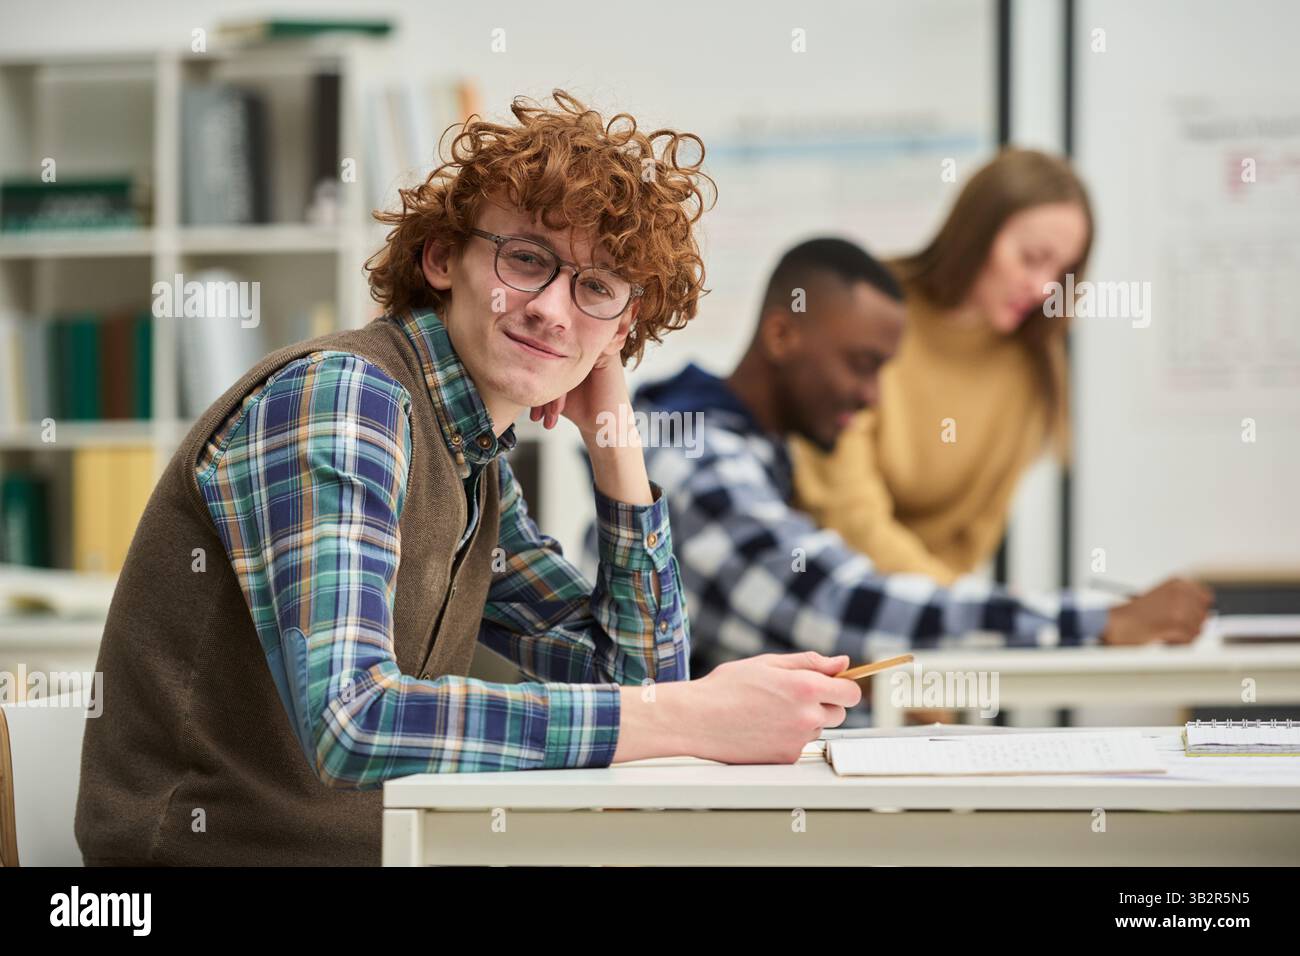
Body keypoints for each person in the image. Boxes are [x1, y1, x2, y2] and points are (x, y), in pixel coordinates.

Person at [74, 91, 861, 867]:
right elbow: (356, 721)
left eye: (597, 287)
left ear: (622, 328)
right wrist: (687, 715)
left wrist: (615, 444)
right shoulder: (346, 399)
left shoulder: (471, 455)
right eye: (526, 260)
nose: (555, 309)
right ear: (443, 258)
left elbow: (627, 678)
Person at [611, 237, 1211, 691]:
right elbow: (836, 609)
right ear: (782, 335)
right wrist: (1097, 621)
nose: (873, 396)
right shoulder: (695, 454)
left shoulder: (758, 452)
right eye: (861, 363)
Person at [792, 149, 1095, 583]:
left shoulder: (1035, 367)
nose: (1044, 287)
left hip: (930, 621)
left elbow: (971, 540)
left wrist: (948, 616)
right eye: (1031, 258)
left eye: (1062, 270)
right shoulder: (865, 310)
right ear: (975, 234)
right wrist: (948, 609)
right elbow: (844, 511)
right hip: (822, 594)